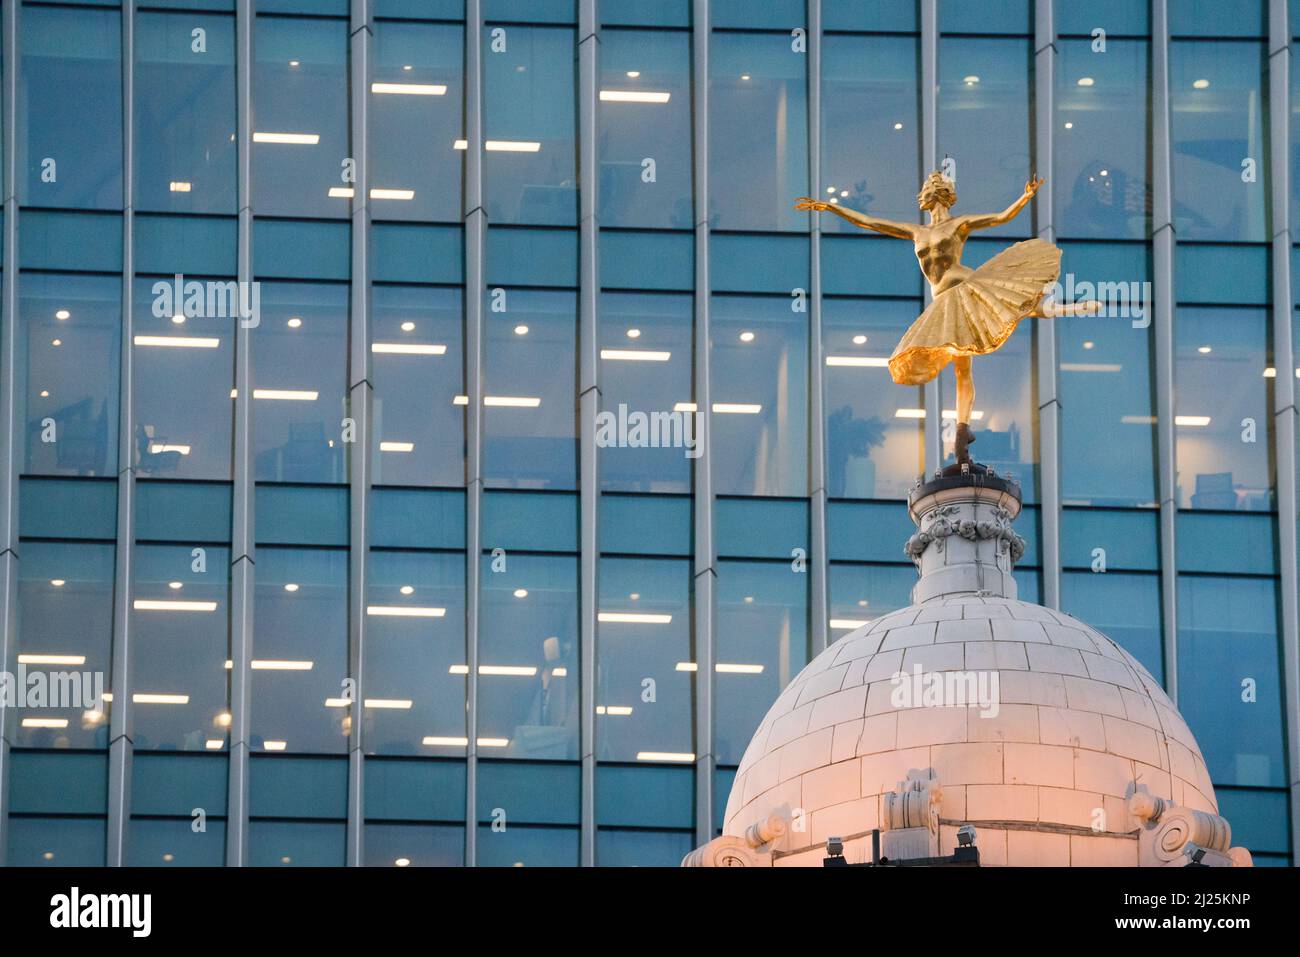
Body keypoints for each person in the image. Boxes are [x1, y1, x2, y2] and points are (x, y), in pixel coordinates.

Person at [796, 171, 1099, 466]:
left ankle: (1069, 308)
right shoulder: (916, 231)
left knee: (1008, 305)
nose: (922, 192)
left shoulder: (959, 225)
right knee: (962, 371)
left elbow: (1001, 217)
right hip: (943, 302)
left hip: (964, 286)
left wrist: (1025, 197)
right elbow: (871, 222)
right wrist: (829, 207)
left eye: (928, 187)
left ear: (939, 193)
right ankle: (962, 434)